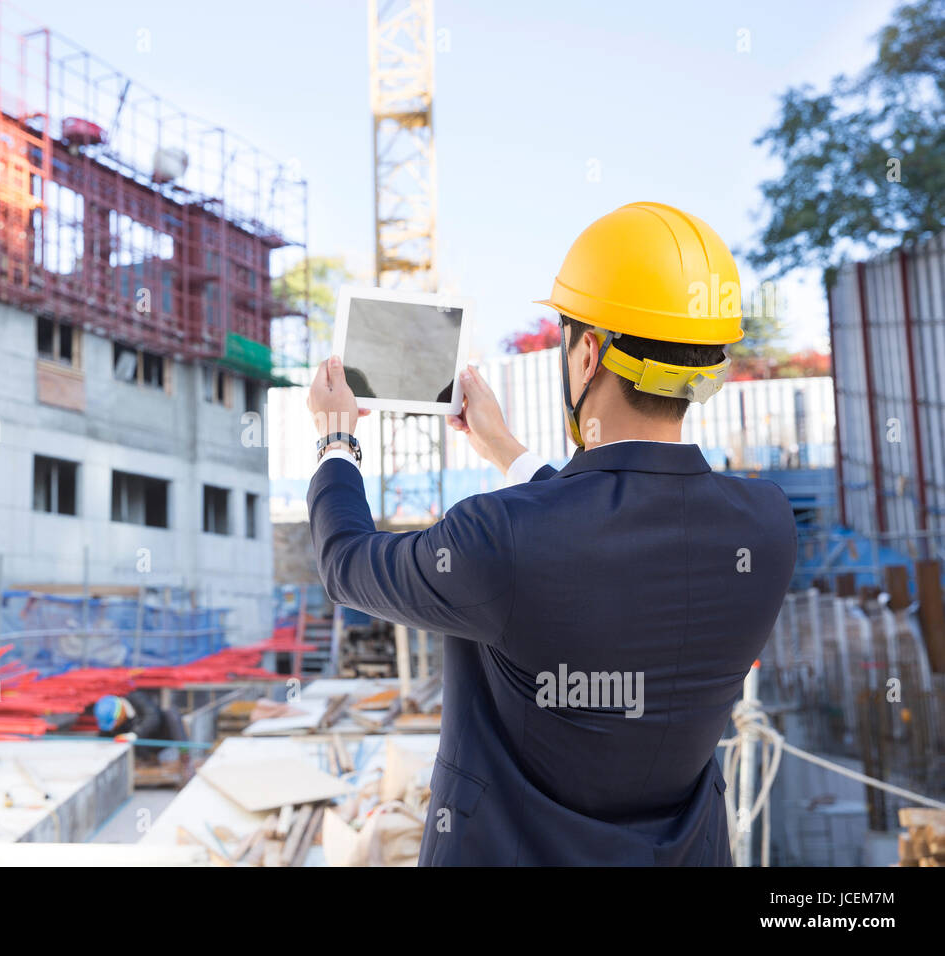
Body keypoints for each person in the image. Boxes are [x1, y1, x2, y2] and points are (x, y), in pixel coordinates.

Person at [304, 202, 797, 865]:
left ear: (586, 352)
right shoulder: (765, 527)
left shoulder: (498, 537)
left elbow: (346, 564)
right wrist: (507, 451)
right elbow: (597, 528)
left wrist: (337, 440)